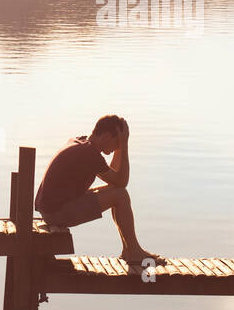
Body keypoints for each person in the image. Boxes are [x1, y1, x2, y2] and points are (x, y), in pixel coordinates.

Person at [34, 114, 163, 267]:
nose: (118, 148)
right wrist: (125, 145)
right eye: (117, 143)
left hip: (52, 208)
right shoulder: (89, 154)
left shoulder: (82, 143)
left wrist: (119, 145)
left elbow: (116, 181)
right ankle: (133, 250)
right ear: (107, 136)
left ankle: (130, 249)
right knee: (121, 196)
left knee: (117, 192)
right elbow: (122, 181)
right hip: (56, 213)